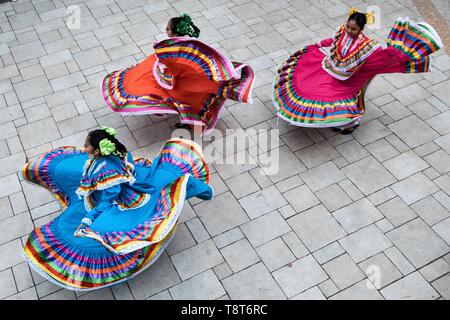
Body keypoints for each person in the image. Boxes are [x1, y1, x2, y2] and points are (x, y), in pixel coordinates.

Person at [22, 127, 213, 291]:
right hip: (103, 189)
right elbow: (124, 159)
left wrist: (89, 220)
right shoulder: (110, 156)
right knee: (67, 171)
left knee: (98, 233)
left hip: (111, 199)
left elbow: (106, 201)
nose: (84, 148)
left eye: (87, 146)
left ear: (97, 151)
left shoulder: (108, 175)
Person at [272, 8, 443, 134]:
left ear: (361, 29)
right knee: (314, 84)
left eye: (353, 29)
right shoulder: (342, 31)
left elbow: (384, 57)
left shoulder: (368, 46)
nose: (349, 30)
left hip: (358, 74)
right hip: (337, 70)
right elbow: (333, 40)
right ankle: (341, 119)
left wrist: (399, 54)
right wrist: (317, 45)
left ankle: (351, 122)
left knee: (351, 95)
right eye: (348, 26)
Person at [102, 14, 255, 133]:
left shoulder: (177, 49)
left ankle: (186, 121)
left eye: (168, 29)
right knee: (183, 98)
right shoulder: (185, 46)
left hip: (179, 81)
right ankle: (180, 117)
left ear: (174, 32)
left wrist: (162, 71)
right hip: (181, 78)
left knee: (177, 98)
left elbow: (173, 71)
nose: (165, 31)